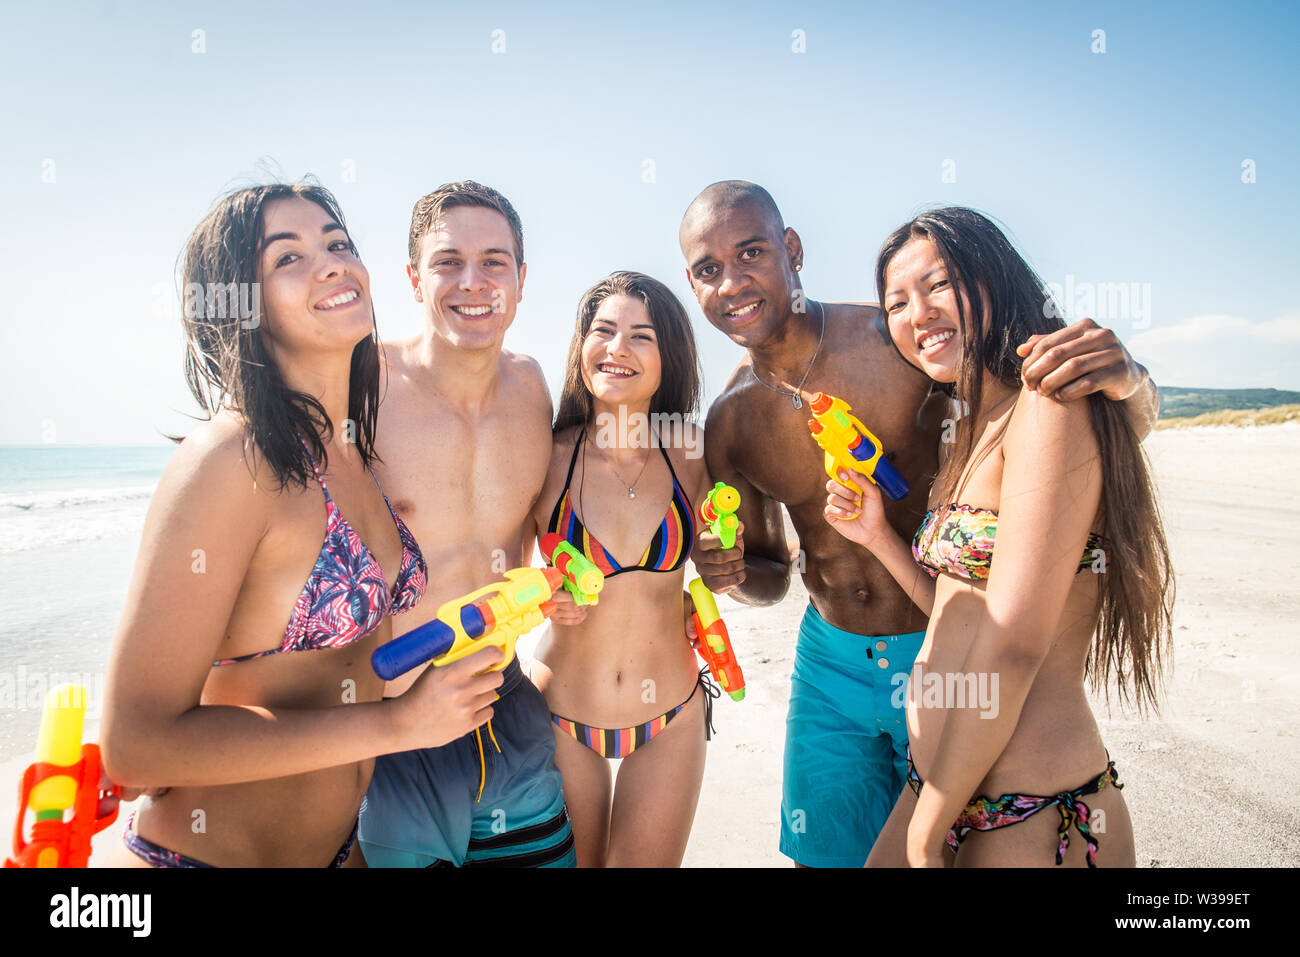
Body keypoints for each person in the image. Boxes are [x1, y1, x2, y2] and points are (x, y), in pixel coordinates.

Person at [680, 181, 1160, 868]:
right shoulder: (728, 420)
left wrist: (1135, 381)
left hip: (942, 652)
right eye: (707, 268)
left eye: (751, 251)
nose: (732, 280)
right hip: (831, 660)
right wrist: (727, 573)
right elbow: (768, 579)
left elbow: (1066, 428)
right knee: (825, 853)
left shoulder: (897, 342)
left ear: (791, 250)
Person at [99, 183, 502, 867]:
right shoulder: (233, 458)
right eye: (289, 257)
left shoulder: (350, 449)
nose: (332, 263)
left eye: (337, 243)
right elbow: (135, 744)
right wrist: (398, 724)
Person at [824, 207, 1173, 866]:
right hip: (941, 784)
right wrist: (879, 539)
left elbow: (1011, 640)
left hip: (1035, 810)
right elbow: (960, 616)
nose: (917, 311)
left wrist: (929, 826)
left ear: (996, 278)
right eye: (896, 302)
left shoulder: (1050, 402)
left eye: (938, 284)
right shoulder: (969, 431)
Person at [357, 181, 576, 868]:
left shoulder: (531, 384)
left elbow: (545, 531)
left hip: (501, 697)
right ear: (413, 277)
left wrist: (568, 581)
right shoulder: (364, 381)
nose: (472, 281)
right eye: (448, 261)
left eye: (494, 262)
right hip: (393, 723)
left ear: (520, 279)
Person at [528, 271, 717, 867]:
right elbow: (493, 577)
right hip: (561, 713)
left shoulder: (691, 451)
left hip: (671, 714)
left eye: (642, 336)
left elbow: (725, 559)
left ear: (670, 358)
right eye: (603, 330)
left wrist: (721, 571)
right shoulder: (546, 455)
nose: (617, 348)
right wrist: (541, 596)